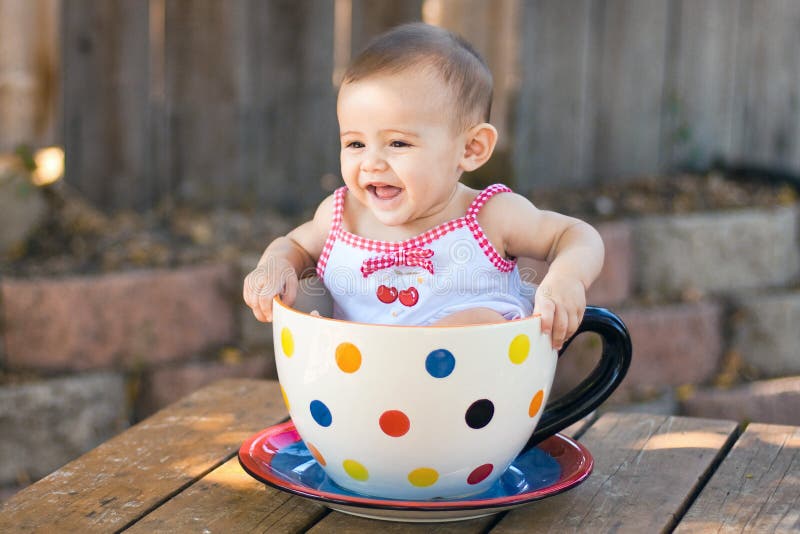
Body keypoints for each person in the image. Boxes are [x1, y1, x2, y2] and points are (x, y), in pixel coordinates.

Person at [243, 22, 604, 350]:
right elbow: (294, 245)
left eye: (398, 143)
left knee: (477, 324)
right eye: (355, 144)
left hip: (471, 400)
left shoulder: (490, 217)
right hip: (361, 391)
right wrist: (275, 265)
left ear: (470, 148)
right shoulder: (342, 216)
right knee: (309, 317)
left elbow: (574, 234)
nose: (371, 162)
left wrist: (566, 278)